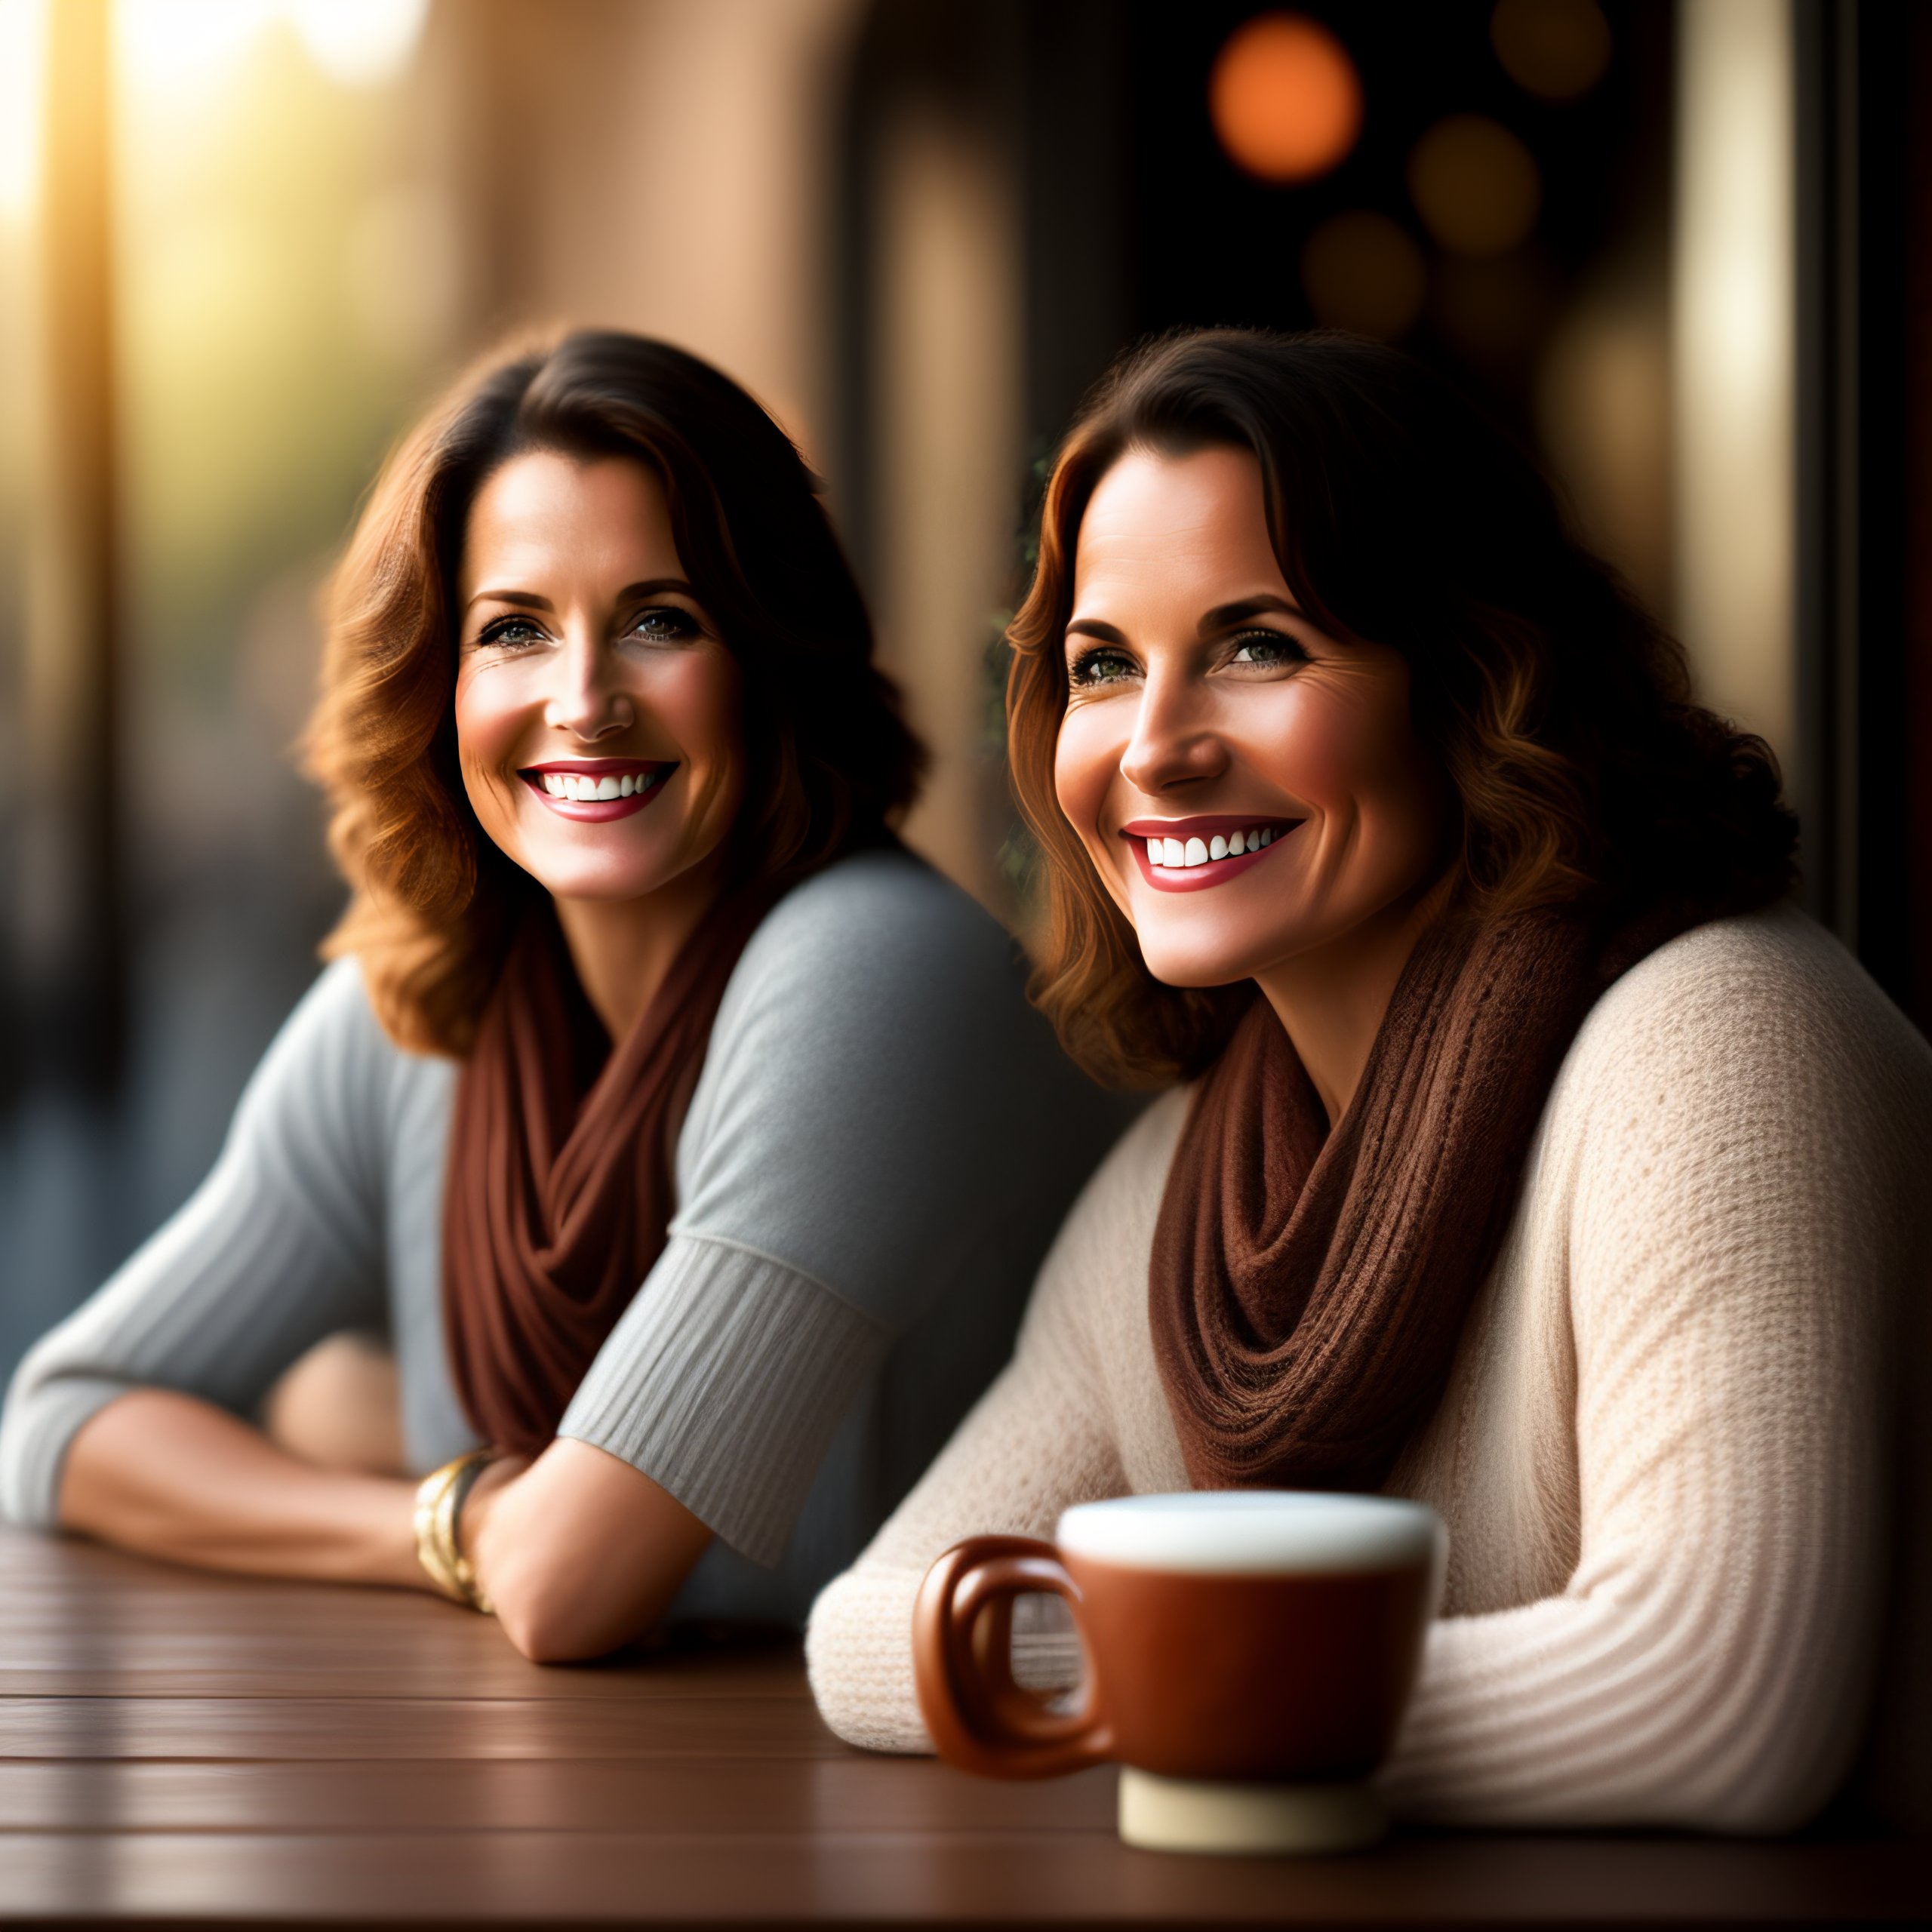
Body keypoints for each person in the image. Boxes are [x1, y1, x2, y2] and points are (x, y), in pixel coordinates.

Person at [804, 328, 1932, 1829]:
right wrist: (1233, 1689)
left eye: (1258, 645)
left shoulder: (1720, 1043)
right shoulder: (1184, 1183)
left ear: (1470, 679)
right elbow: (881, 1630)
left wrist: (1172, 1682)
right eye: (1103, 665)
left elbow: (1721, 1701)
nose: (1155, 748)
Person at [0, 329, 1124, 1662]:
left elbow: (569, 1585)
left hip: (962, 1768)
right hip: (572, 1773)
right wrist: (456, 1514)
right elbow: (66, 1420)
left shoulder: (879, 976)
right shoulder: (422, 1005)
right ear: (437, 684)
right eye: (515, 631)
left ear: (770, 659)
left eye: (661, 621)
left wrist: (390, 1449)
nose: (584, 701)